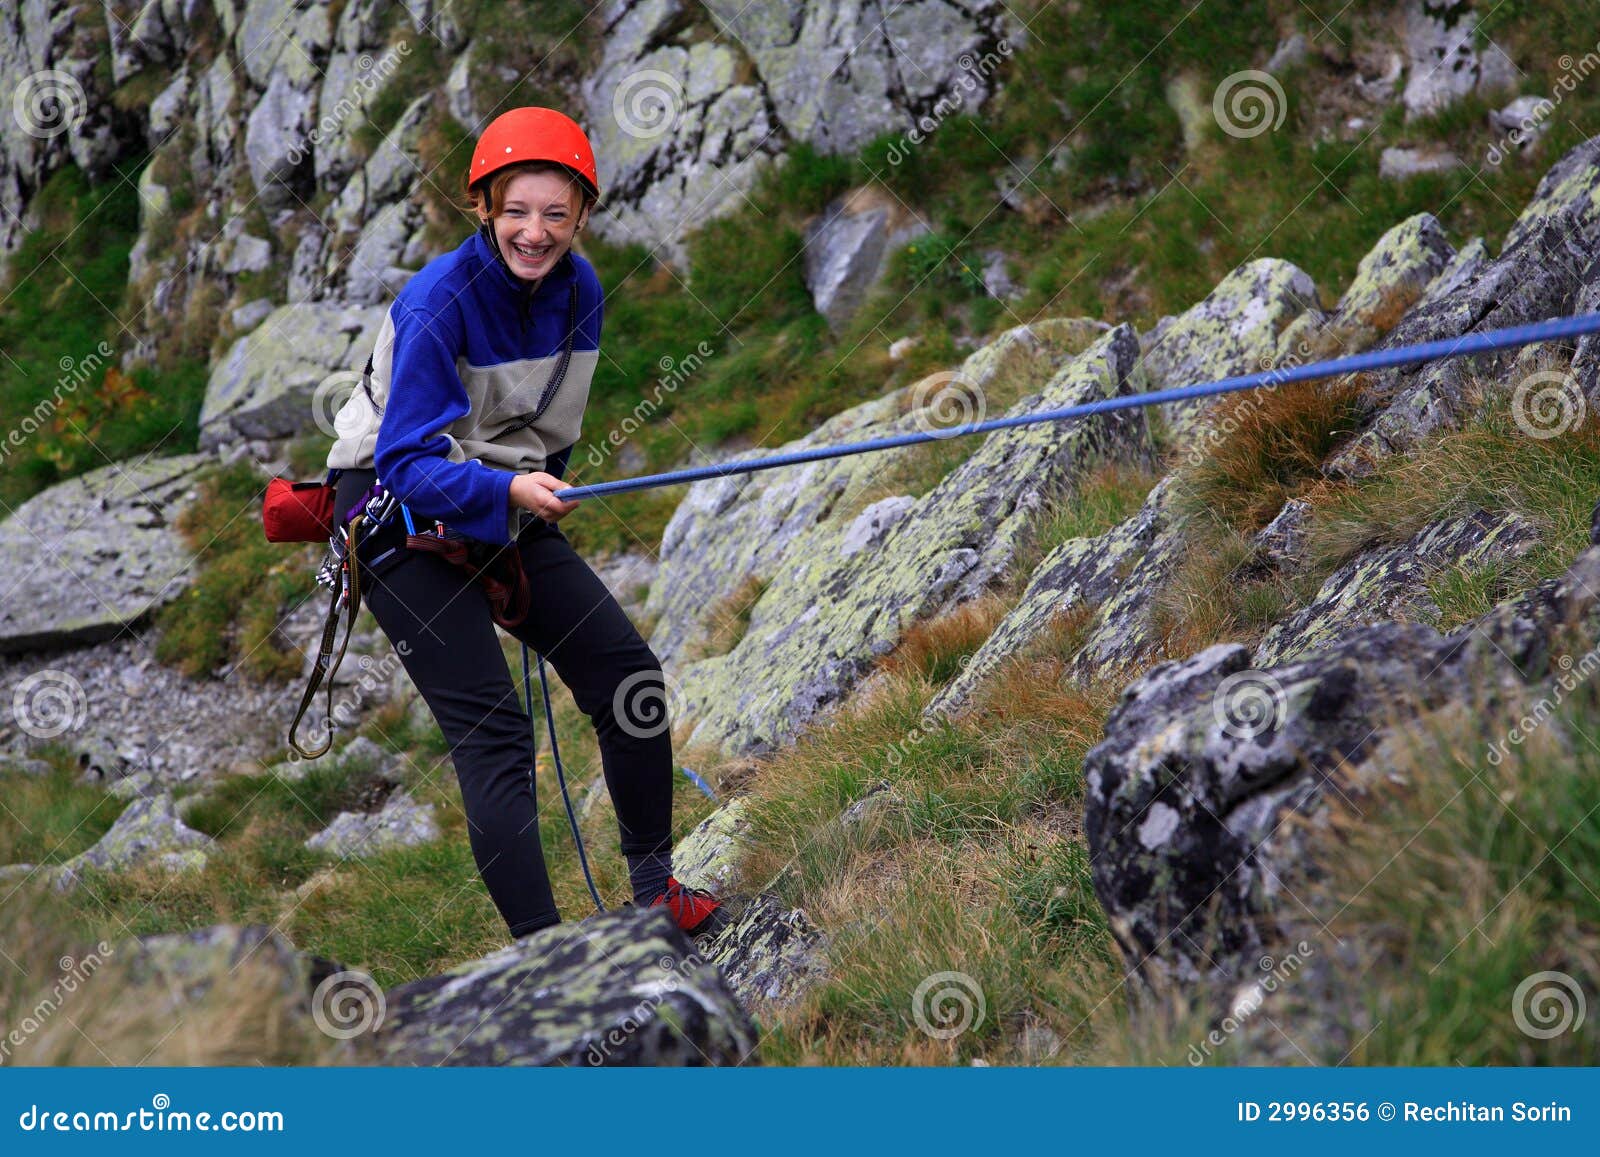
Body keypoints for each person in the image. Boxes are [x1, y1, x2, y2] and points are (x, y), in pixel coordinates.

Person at [324, 106, 723, 943]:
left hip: (500, 488)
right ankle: (546, 960)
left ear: (582, 215)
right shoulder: (440, 301)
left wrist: (532, 492)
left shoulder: (580, 292)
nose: (534, 232)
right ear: (484, 209)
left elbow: (552, 427)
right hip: (390, 500)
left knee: (628, 679)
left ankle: (655, 888)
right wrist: (507, 498)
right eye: (515, 211)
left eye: (554, 213)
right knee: (496, 730)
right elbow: (404, 459)